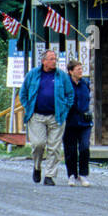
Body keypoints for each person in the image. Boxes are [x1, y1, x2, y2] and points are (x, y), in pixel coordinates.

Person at [21, 50, 73, 186]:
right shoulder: (33, 74)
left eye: (55, 59)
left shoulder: (62, 76)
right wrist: (28, 108)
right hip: (37, 115)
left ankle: (50, 175)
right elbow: (23, 93)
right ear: (43, 61)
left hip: (57, 117)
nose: (54, 61)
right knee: (38, 144)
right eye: (51, 59)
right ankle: (37, 166)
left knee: (54, 147)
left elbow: (70, 94)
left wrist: (65, 109)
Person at [63, 59, 93, 187]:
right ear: (71, 72)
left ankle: (83, 174)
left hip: (85, 122)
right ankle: (71, 174)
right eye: (78, 69)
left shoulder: (85, 83)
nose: (81, 71)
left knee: (85, 147)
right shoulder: (66, 85)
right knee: (71, 149)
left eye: (81, 69)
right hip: (70, 122)